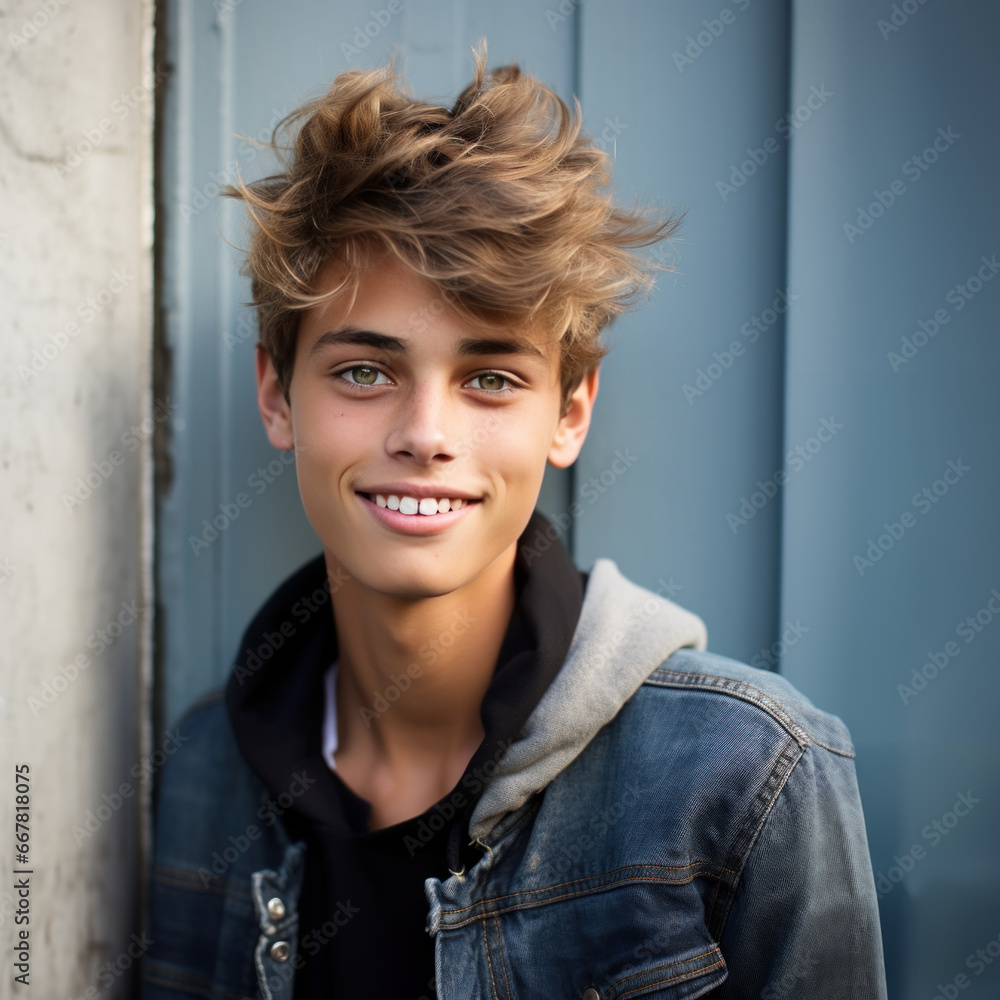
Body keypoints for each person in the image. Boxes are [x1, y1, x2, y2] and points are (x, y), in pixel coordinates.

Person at [140, 39, 888, 1000]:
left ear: (570, 411)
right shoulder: (208, 770)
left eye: (490, 379)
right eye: (365, 371)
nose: (426, 434)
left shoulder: (753, 776)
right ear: (278, 395)